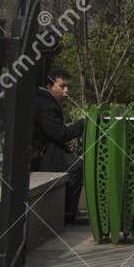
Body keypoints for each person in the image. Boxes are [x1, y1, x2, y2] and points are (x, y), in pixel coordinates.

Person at [32, 68, 86, 224]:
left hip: (46, 151)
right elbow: (60, 134)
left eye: (68, 87)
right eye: (62, 87)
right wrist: (83, 125)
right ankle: (68, 214)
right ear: (50, 85)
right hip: (42, 156)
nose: (66, 91)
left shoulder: (43, 100)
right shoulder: (47, 104)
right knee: (76, 166)